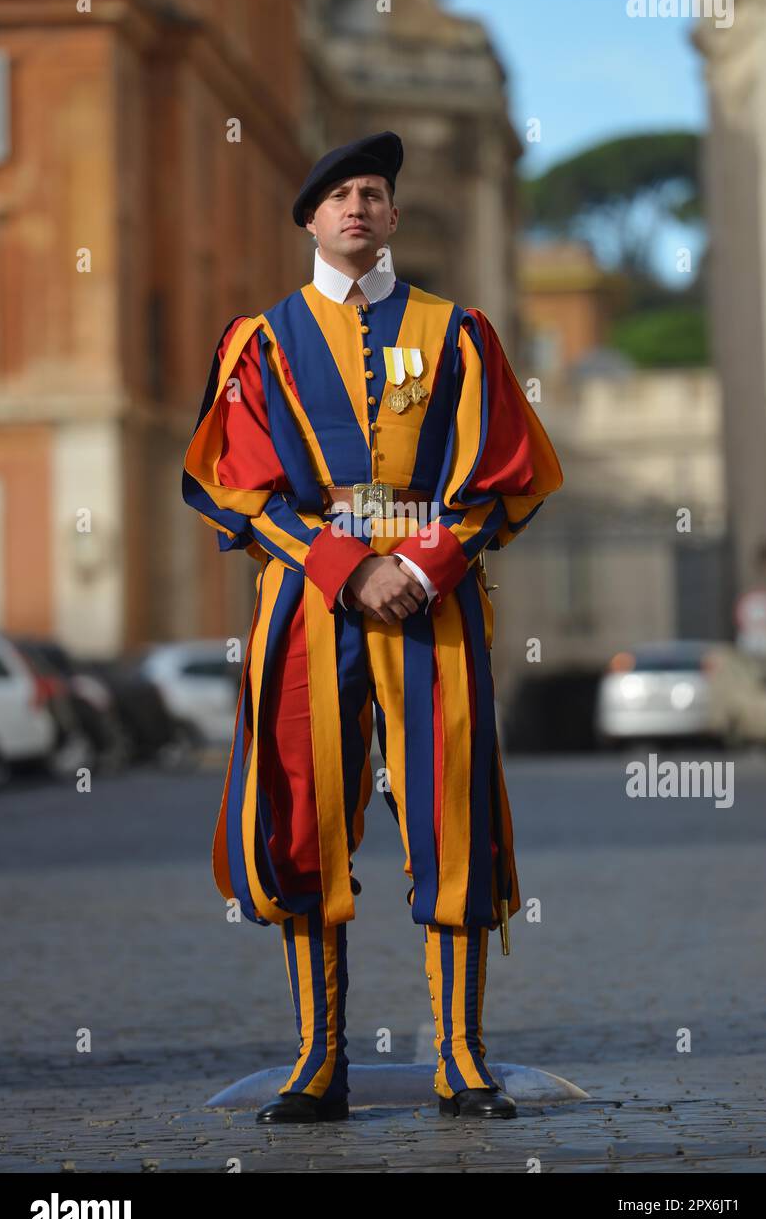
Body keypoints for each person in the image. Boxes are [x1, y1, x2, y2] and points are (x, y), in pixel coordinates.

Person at [182, 130, 563, 1121]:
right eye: (337, 194)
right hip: (307, 606)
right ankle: (318, 1060)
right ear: (310, 219)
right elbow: (242, 484)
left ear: (393, 217)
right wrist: (352, 570)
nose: (356, 207)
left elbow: (499, 474)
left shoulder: (460, 331)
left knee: (451, 818)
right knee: (304, 820)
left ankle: (462, 1057)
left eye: (372, 193)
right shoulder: (258, 342)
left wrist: (422, 563)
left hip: (435, 605)